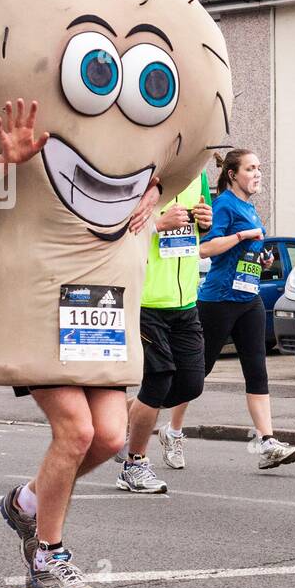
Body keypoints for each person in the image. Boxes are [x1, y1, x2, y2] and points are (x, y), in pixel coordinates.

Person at [0, 100, 160, 588]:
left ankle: (25, 502)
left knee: (109, 437)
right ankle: (48, 561)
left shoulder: (127, 147)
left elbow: (173, 164)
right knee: (76, 431)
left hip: (100, 308)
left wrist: (153, 188)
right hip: (40, 307)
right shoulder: (20, 141)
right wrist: (6, 161)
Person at [197, 149, 295, 469]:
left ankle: (267, 441)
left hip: (249, 298)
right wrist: (243, 235)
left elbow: (246, 251)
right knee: (193, 374)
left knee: (257, 369)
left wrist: (261, 258)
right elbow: (206, 248)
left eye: (259, 168)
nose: (257, 174)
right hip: (219, 300)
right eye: (250, 168)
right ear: (232, 174)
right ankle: (132, 420)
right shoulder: (224, 205)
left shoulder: (249, 206)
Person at [115, 171, 214, 492]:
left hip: (185, 299)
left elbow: (202, 231)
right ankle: (134, 464)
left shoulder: (197, 174)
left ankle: (124, 422)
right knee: (158, 382)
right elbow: (111, 230)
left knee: (191, 383)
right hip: (146, 300)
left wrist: (205, 221)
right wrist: (158, 223)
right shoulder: (135, 171)